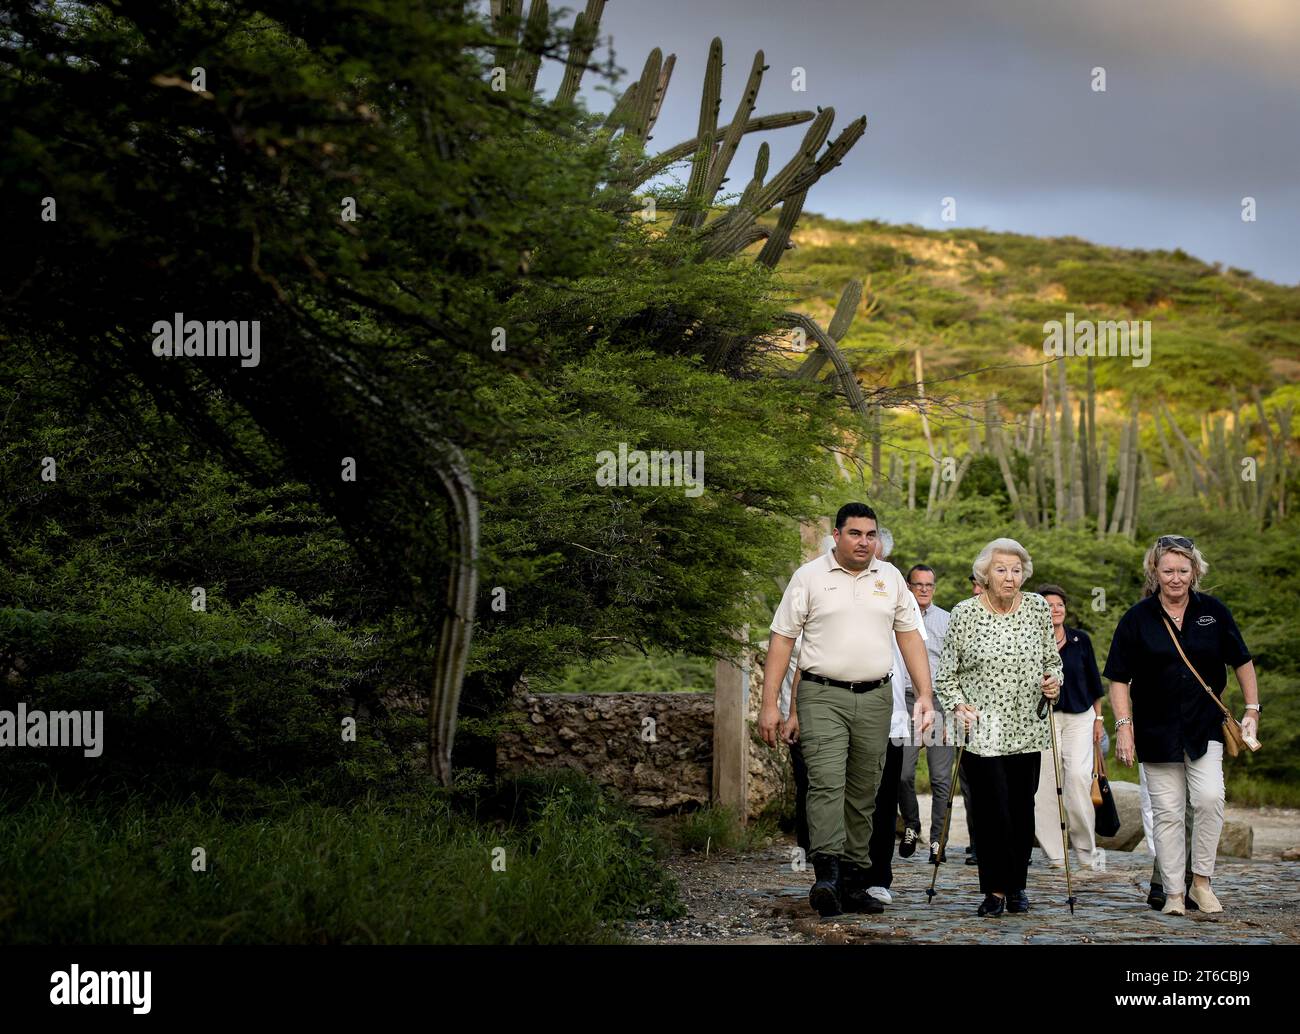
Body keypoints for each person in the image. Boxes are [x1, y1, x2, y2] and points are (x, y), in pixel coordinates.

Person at [760, 503, 936, 917]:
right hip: (821, 694)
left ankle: (857, 879)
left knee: (865, 790)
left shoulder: (890, 578)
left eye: (870, 534)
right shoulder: (809, 578)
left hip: (876, 696)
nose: (864, 542)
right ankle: (827, 874)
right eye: (855, 533)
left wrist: (925, 695)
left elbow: (910, 637)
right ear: (836, 535)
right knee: (825, 782)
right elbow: (782, 640)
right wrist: (771, 704)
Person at [1104, 535, 1261, 916]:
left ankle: (1202, 881)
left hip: (1204, 726)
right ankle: (1174, 892)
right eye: (1168, 570)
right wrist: (1124, 726)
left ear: (1195, 572)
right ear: (1155, 572)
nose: (1175, 578)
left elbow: (1241, 660)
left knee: (1209, 798)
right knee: (1168, 812)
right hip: (1155, 729)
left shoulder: (1214, 612)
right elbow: (1118, 679)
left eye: (1183, 570)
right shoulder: (1137, 617)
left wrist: (1253, 708)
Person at [935, 538, 1063, 917]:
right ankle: (993, 889)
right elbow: (946, 676)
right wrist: (959, 706)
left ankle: (1017, 885)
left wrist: (1054, 682)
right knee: (993, 811)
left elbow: (1051, 661)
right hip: (982, 731)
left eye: (1016, 570)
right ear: (985, 575)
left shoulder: (1038, 608)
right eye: (1001, 570)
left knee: (1023, 809)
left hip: (1027, 728)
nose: (1010, 577)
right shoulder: (964, 613)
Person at [860, 528, 926, 903]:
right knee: (847, 795)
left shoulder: (899, 594)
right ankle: (842, 871)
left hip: (893, 715)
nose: (875, 564)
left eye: (880, 557)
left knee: (885, 797)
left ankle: (878, 876)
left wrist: (925, 699)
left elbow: (915, 648)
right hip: (843, 711)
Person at [1031, 584, 1106, 871]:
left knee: (1076, 778)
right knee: (1046, 786)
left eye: (1060, 604)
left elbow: (1095, 684)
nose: (1056, 609)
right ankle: (1056, 855)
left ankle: (1086, 852)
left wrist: (1099, 721)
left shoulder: (1080, 639)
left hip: (1080, 717)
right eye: (1049, 605)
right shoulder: (1032, 640)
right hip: (1044, 718)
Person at [897, 564, 953, 864]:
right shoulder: (897, 618)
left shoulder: (947, 621)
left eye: (928, 585)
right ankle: (911, 824)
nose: (923, 589)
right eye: (918, 584)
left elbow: (958, 667)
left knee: (941, 778)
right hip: (905, 703)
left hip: (940, 705)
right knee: (902, 773)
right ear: (908, 586)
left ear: (934, 587)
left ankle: (937, 842)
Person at [961, 573, 980, 866]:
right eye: (974, 584)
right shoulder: (963, 615)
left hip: (1006, 717)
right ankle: (978, 841)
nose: (977, 588)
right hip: (969, 713)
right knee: (971, 782)